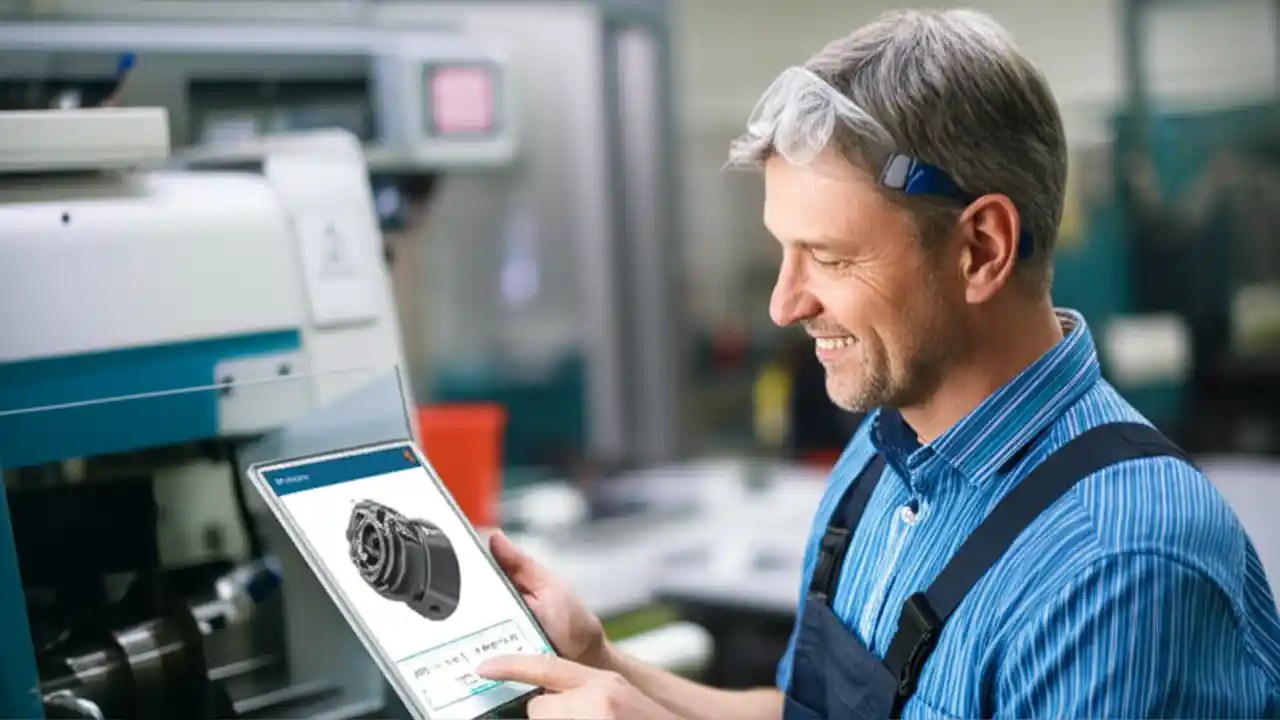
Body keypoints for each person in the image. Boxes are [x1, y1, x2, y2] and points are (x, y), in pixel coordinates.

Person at [476, 8, 1280, 718]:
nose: (783, 305)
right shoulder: (885, 455)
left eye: (829, 258)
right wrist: (602, 664)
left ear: (981, 249)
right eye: (785, 252)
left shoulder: (1117, 565)